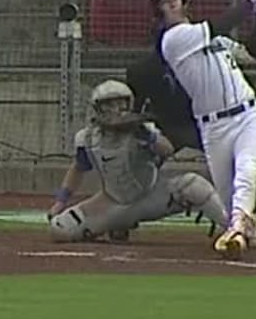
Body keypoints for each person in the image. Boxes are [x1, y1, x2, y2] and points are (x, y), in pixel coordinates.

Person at [126, 0, 256, 246]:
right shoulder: (174, 40)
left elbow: (250, 53)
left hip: (247, 115)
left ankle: (240, 230)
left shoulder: (208, 37)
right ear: (158, 12)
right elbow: (221, 24)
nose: (172, 5)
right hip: (213, 126)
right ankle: (244, 229)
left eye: (175, 0)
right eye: (165, 3)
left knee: (247, 170)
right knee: (227, 193)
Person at [47, 79, 229, 243]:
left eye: (121, 103)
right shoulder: (86, 138)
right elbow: (78, 168)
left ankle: (235, 228)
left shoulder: (143, 130)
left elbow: (167, 150)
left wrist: (149, 137)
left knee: (193, 185)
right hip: (112, 202)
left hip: (151, 197)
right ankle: (114, 225)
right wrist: (60, 202)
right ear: (98, 108)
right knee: (60, 229)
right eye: (109, 104)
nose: (117, 109)